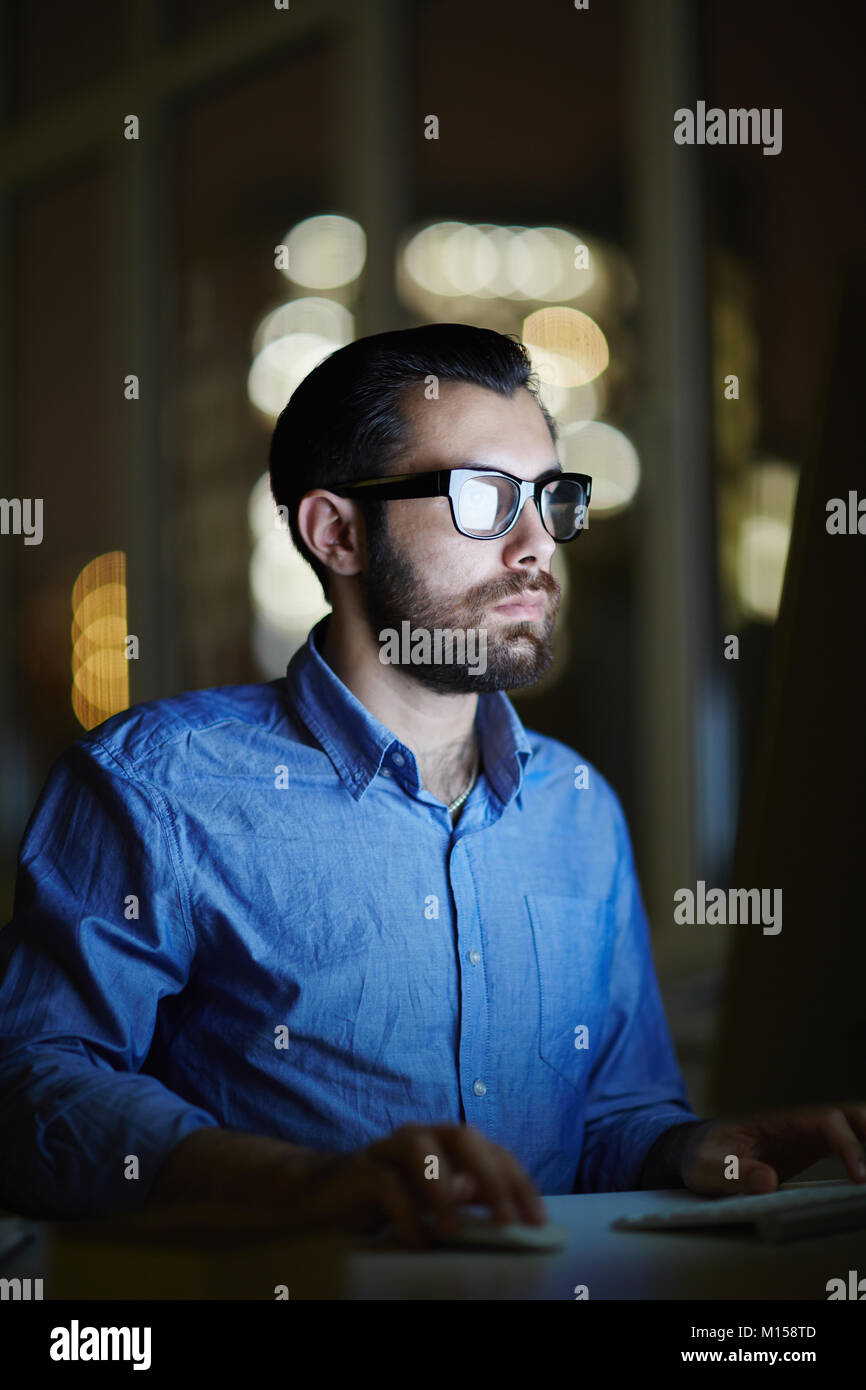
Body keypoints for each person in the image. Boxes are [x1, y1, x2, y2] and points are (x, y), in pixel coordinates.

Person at [1, 324, 863, 1250]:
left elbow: (610, 1120)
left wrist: (693, 1149)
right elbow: (33, 1087)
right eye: (484, 497)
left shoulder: (579, 808)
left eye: (550, 497)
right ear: (336, 532)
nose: (538, 544)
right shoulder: (157, 784)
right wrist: (304, 1186)